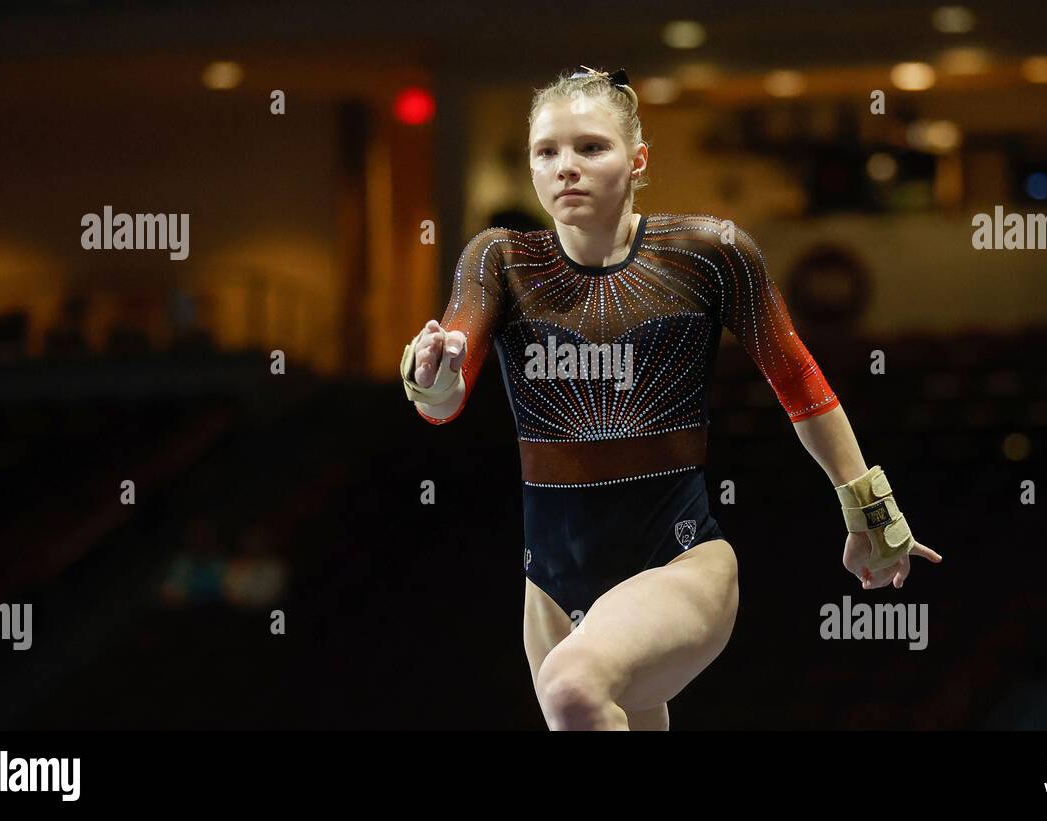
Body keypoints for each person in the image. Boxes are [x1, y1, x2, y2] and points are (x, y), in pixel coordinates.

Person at [399, 65, 942, 730]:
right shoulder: (499, 260)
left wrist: (871, 512)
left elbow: (800, 383)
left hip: (680, 565)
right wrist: (431, 370)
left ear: (637, 160)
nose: (565, 167)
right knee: (595, 698)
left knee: (572, 686)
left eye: (590, 147)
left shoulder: (709, 252)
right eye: (546, 151)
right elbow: (442, 396)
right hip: (549, 587)